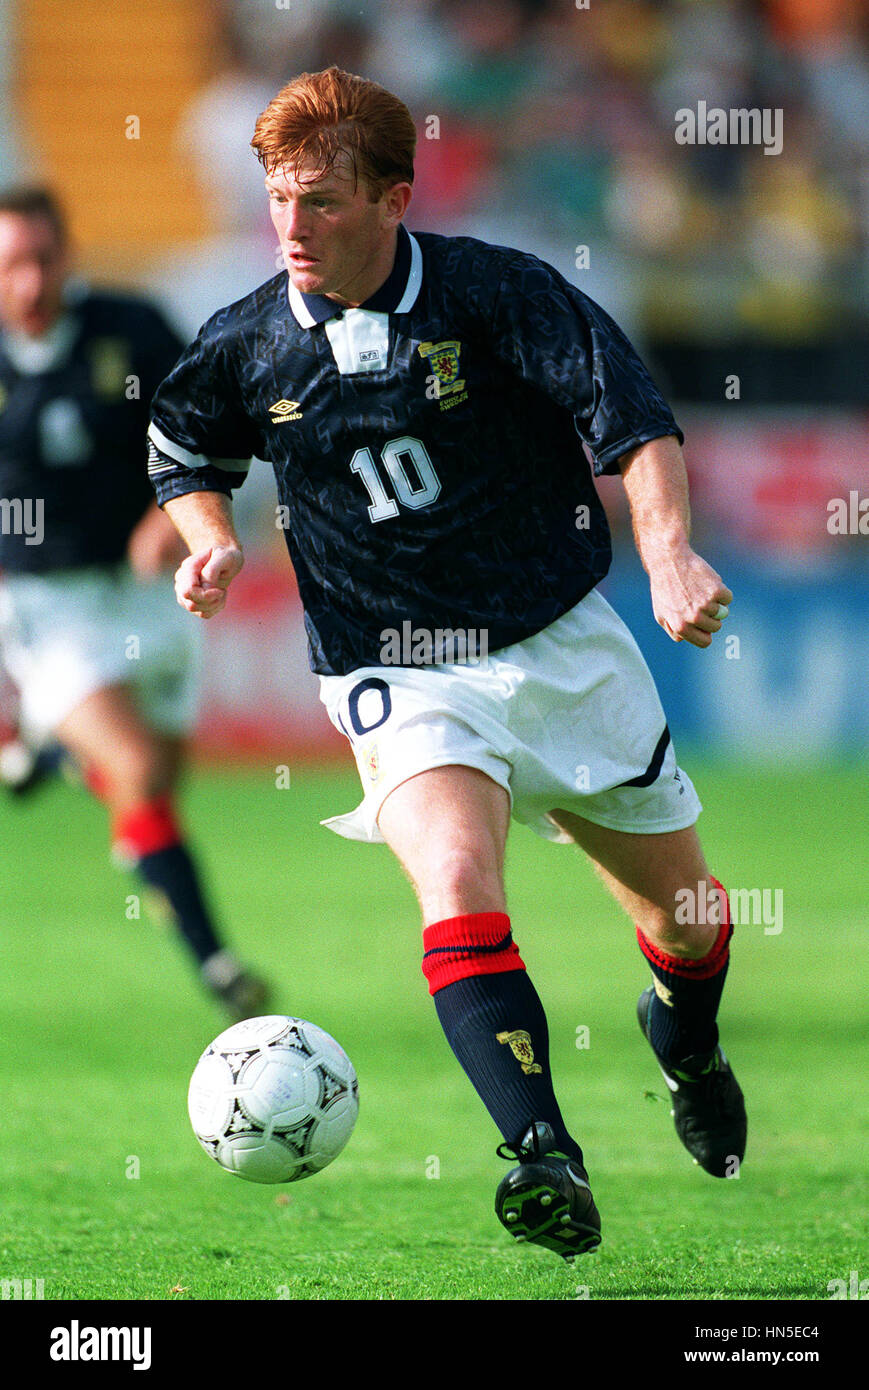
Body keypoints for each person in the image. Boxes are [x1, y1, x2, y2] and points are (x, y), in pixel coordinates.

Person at [147, 67, 746, 1261]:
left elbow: (629, 419)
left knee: (688, 920)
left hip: (557, 646)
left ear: (393, 199)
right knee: (459, 879)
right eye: (277, 199)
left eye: (319, 202)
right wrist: (210, 543)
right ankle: (541, 1155)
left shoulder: (496, 293)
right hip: (392, 667)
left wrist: (669, 552)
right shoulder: (247, 337)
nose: (291, 229)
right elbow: (181, 453)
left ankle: (686, 1038)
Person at [0, 185, 269, 1021]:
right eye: (11, 266)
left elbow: (211, 426)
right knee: (139, 772)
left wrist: (171, 513)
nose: (29, 282)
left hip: (153, 595)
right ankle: (218, 962)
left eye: (42, 259)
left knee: (153, 792)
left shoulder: (132, 327)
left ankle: (44, 757)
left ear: (67, 254)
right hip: (46, 605)